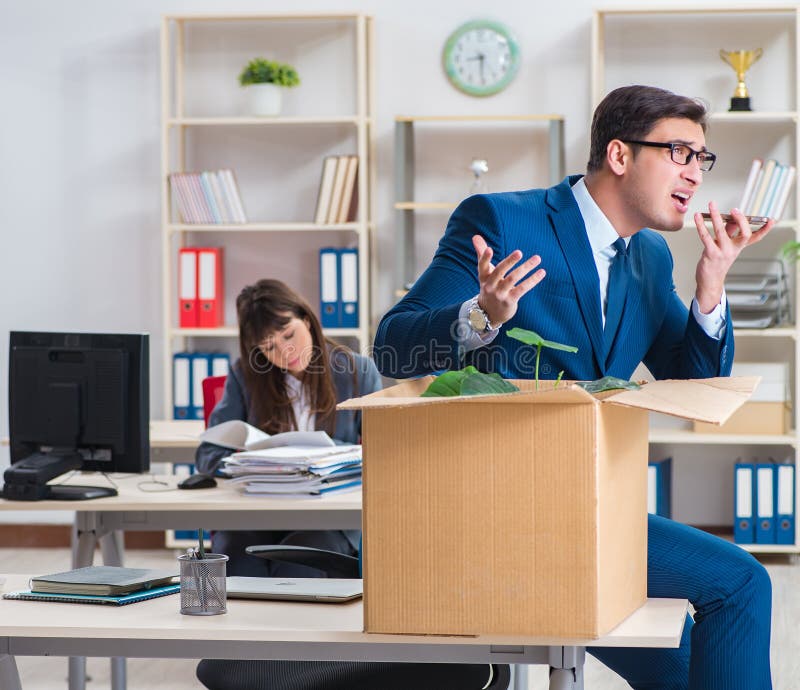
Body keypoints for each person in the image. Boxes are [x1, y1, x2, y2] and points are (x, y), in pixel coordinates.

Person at [373, 85, 774, 689]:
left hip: (586, 510)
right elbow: (393, 347)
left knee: (690, 674)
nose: (695, 174)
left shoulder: (650, 258)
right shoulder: (502, 219)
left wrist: (712, 284)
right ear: (619, 155)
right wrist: (479, 316)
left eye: (701, 159)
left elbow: (693, 384)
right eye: (680, 153)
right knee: (742, 581)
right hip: (495, 509)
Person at [195, 278, 382, 577]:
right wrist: (248, 466)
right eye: (269, 347)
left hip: (328, 518)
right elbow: (208, 454)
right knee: (234, 555)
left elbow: (382, 453)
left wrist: (338, 463)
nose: (285, 351)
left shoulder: (357, 371)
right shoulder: (246, 375)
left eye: (288, 334)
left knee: (299, 560)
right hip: (260, 514)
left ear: (306, 319)